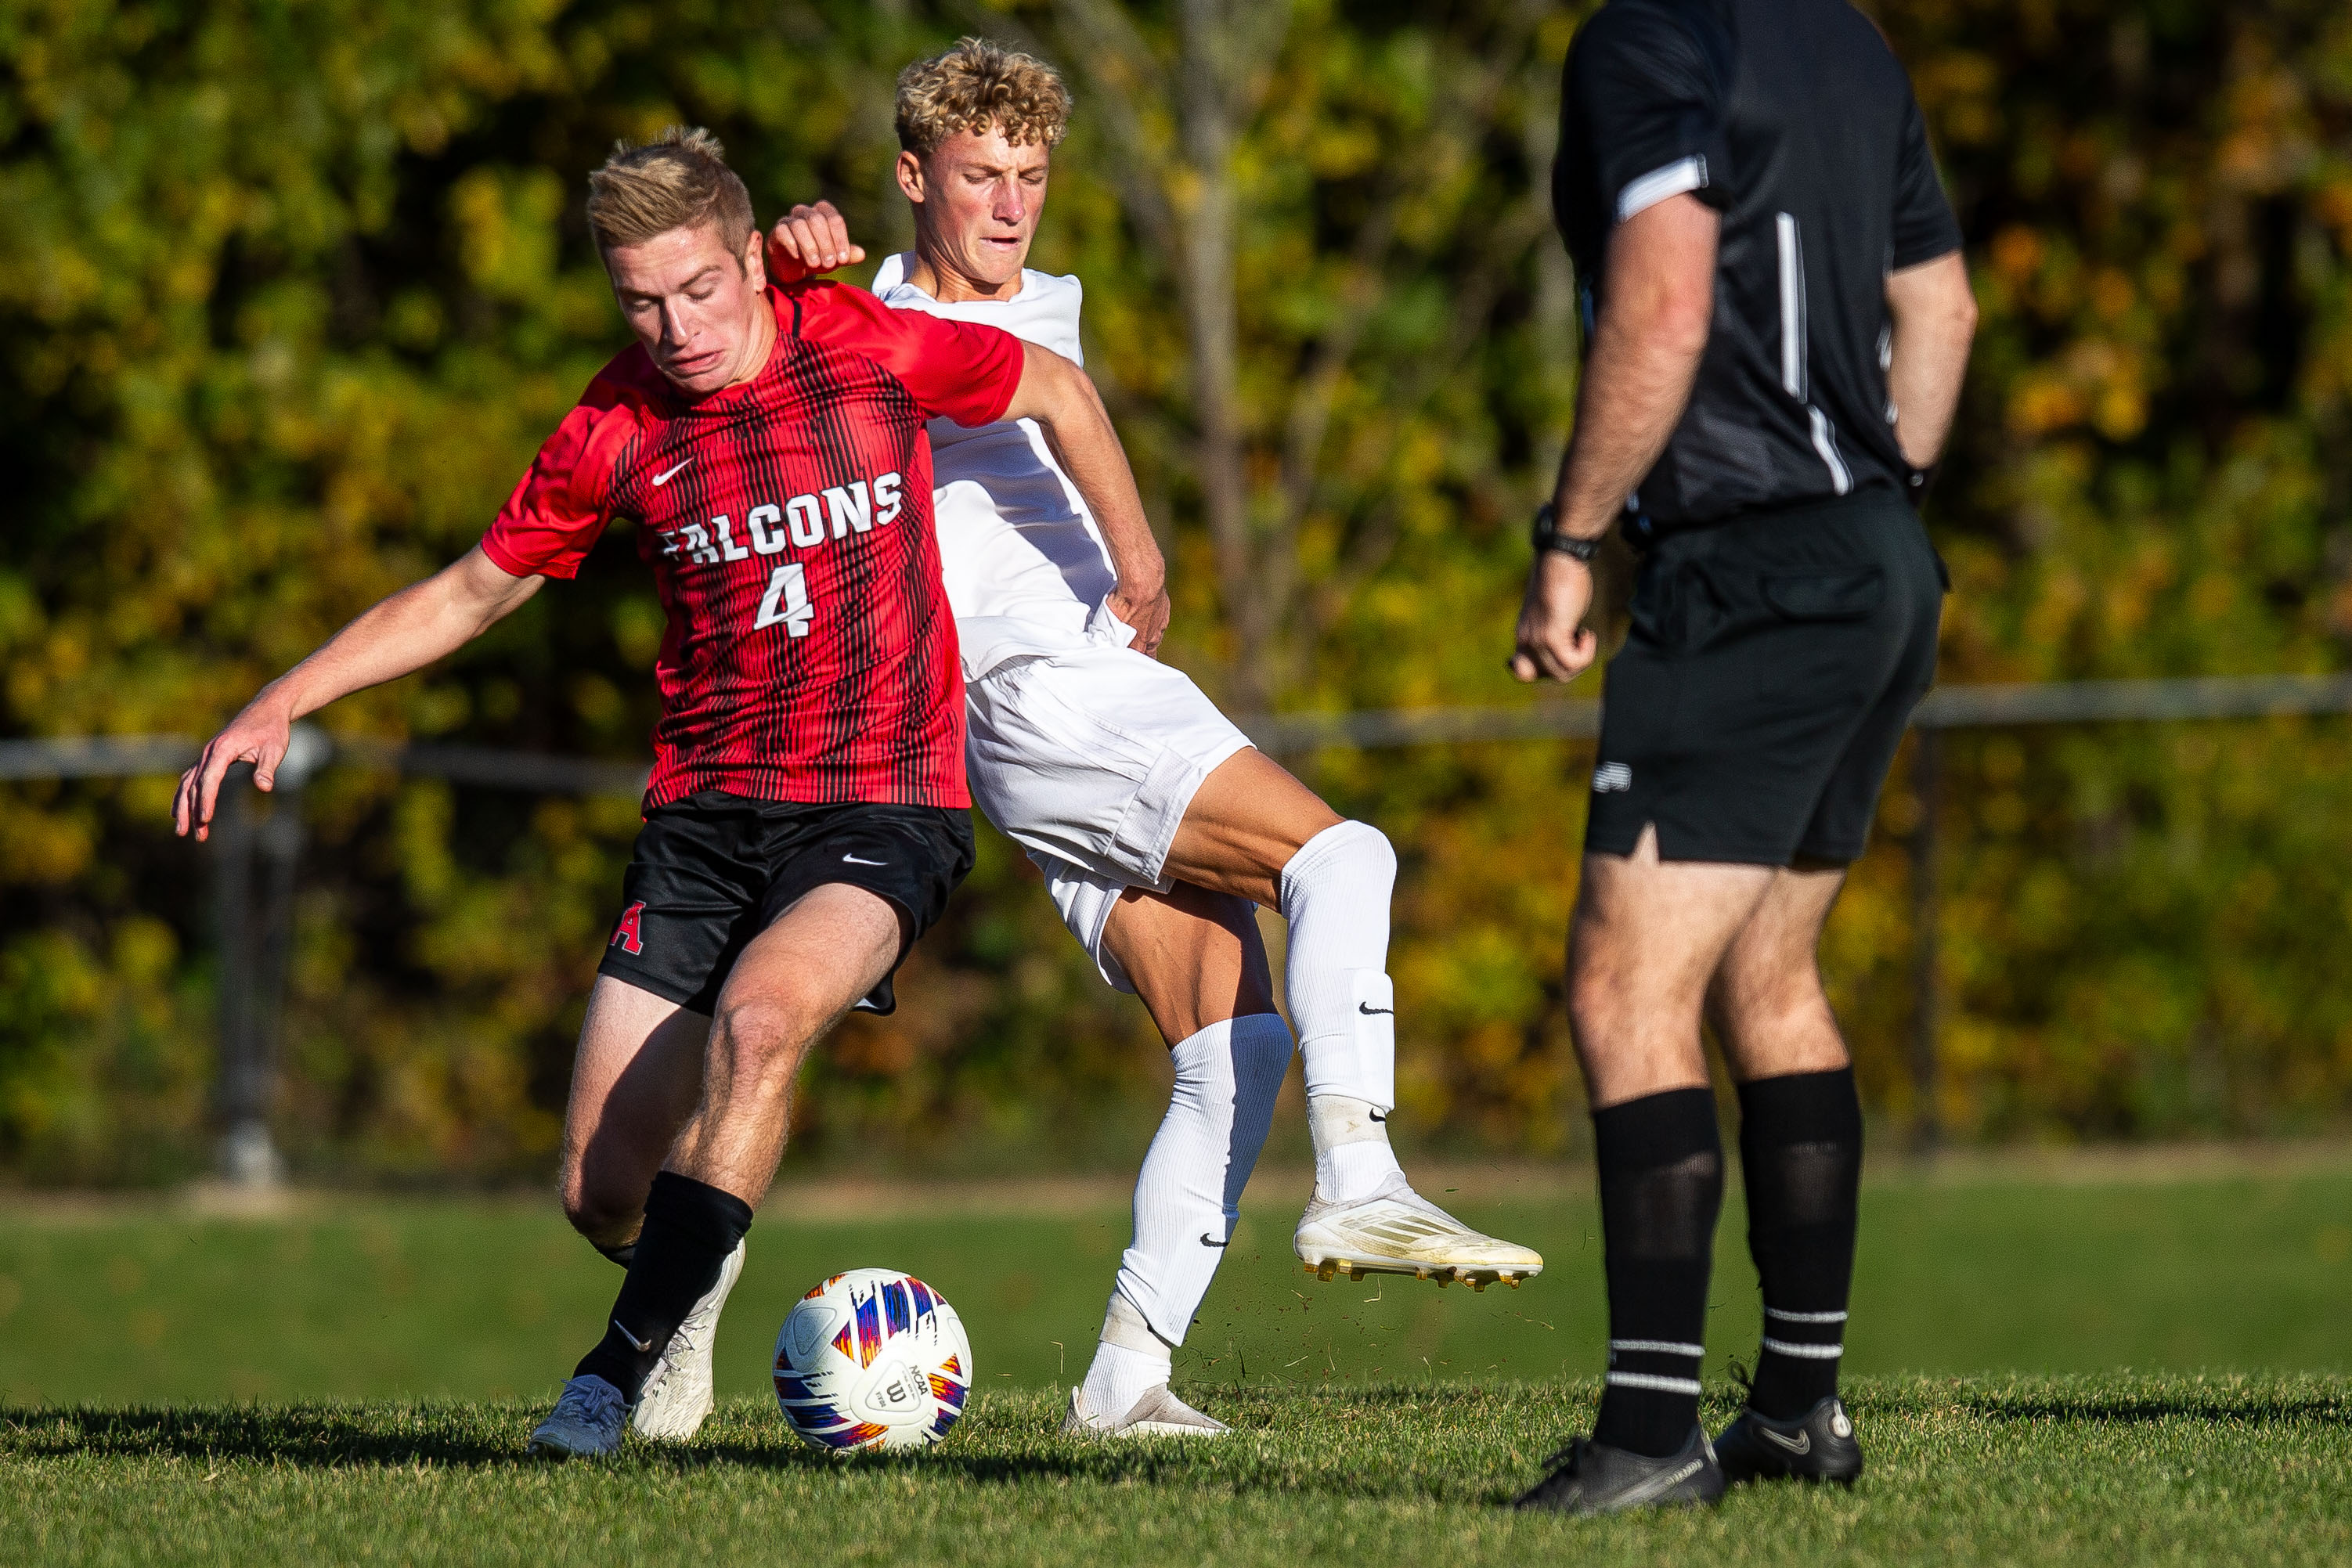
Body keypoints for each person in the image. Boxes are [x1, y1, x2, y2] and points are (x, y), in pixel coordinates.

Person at [172, 126, 1159, 1458]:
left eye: (701, 289)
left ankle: (605, 1379)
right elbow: (472, 590)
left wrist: (1137, 559)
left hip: (885, 802)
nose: (678, 326)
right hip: (704, 820)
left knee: (761, 1025)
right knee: (597, 1189)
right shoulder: (615, 425)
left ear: (753, 258)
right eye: (643, 301)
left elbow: (1054, 390)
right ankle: (695, 1262)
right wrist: (285, 694)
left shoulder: (860, 341)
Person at [764, 38, 1542, 1439]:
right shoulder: (855, 311)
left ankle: (1126, 1378)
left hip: (1059, 711)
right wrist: (785, 251)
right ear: (909, 179)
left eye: (1033, 177)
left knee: (1229, 1038)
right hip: (1047, 692)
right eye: (978, 177)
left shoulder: (1046, 302)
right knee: (1342, 858)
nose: (1010, 205)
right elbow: (741, 320)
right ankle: (1360, 1175)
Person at [1506, 0, 1977, 1514]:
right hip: (1882, 555)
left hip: (1756, 570)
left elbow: (1662, 310)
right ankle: (1797, 1411)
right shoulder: (1846, 42)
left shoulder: (1647, 40)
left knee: (1620, 985)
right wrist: (1873, 506)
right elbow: (1945, 310)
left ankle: (1649, 1438)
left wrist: (1570, 541)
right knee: (1771, 979)